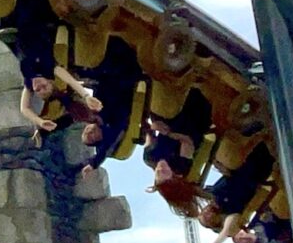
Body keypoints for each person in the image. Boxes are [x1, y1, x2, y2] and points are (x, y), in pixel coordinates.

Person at [75, 36, 146, 178]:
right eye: (91, 137)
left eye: (85, 133)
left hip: (104, 78)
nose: (89, 132)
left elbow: (67, 116)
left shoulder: (93, 114)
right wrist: (94, 163)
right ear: (99, 138)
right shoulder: (113, 126)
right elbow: (105, 149)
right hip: (124, 80)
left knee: (80, 66)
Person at [143, 87, 215, 218]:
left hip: (166, 122)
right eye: (165, 172)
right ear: (174, 176)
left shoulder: (149, 157)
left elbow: (149, 134)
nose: (160, 169)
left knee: (154, 106)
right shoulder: (180, 166)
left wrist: (153, 128)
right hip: (190, 126)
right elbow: (187, 142)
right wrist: (169, 133)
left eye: (158, 174)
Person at [204, 144, 277, 243]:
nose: (206, 213)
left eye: (205, 214)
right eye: (208, 218)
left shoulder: (216, 195)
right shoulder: (231, 212)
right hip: (254, 175)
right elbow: (226, 231)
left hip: (246, 168)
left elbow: (228, 175)